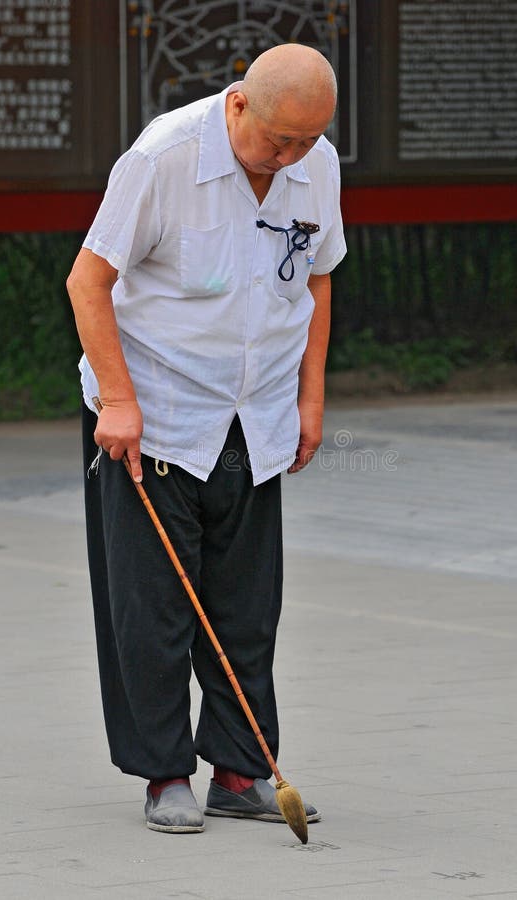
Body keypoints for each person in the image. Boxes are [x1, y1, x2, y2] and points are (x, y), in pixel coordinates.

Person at [67, 43, 346, 833]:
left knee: (246, 609)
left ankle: (239, 769)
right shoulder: (163, 157)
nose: (290, 157)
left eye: (306, 142)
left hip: (255, 419)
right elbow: (88, 282)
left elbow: (319, 277)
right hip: (152, 417)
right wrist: (116, 399)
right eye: (278, 141)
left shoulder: (316, 162)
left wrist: (310, 397)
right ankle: (164, 775)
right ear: (238, 105)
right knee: (153, 609)